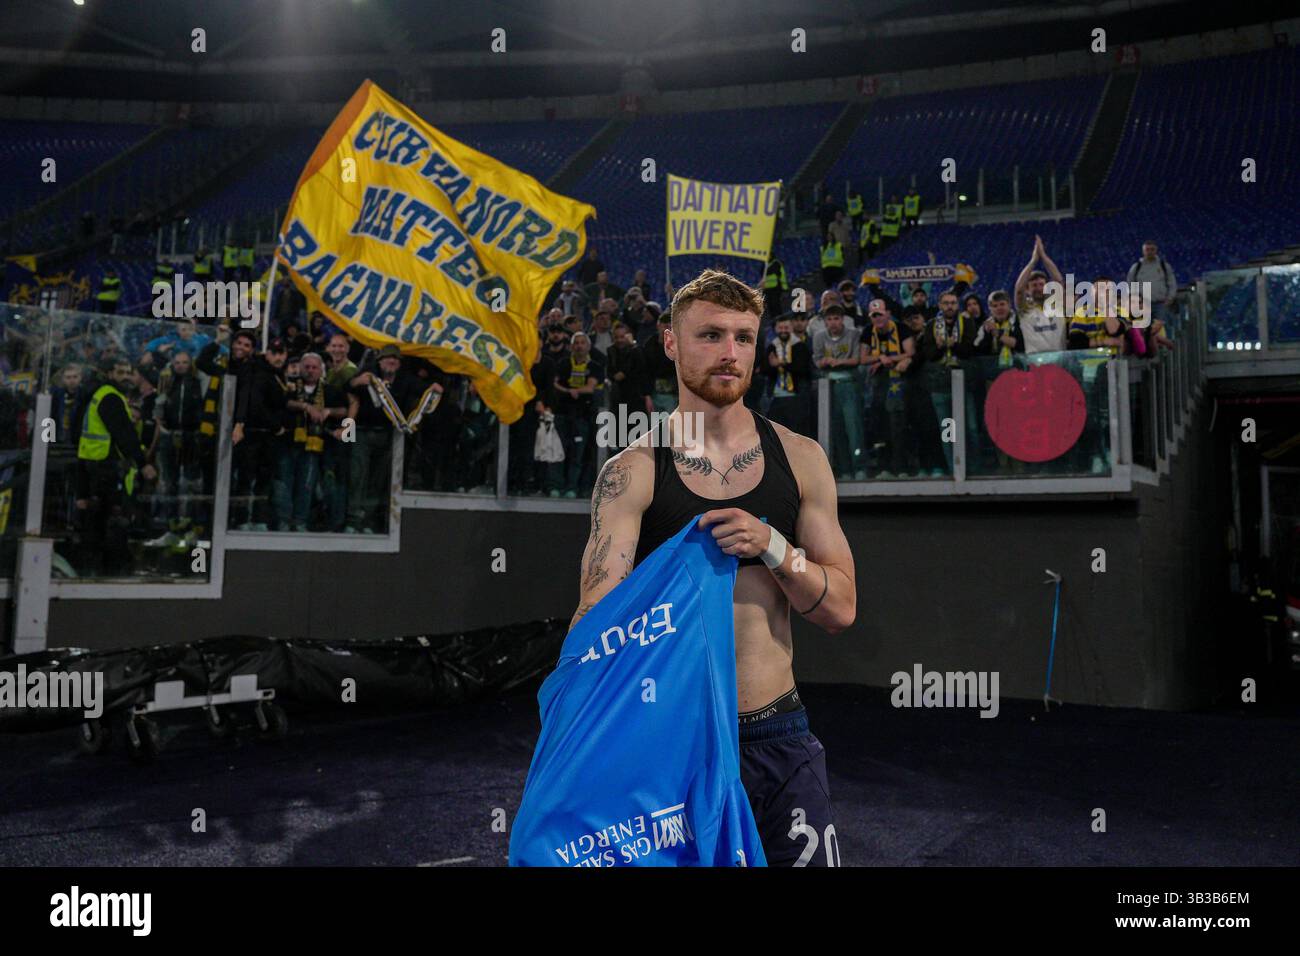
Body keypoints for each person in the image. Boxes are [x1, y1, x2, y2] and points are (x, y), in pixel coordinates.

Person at [567, 269, 856, 867]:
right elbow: (594, 625)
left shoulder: (801, 459)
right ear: (671, 343)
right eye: (711, 336)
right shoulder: (634, 471)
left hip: (778, 737)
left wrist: (775, 547)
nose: (730, 354)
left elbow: (841, 608)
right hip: (674, 742)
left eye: (744, 338)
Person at [74, 357, 157, 576]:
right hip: (105, 466)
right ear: (109, 374)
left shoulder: (98, 394)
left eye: (129, 372)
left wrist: (81, 488)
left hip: (93, 464)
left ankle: (92, 566)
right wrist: (143, 463)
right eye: (120, 372)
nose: (126, 377)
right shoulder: (110, 398)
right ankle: (114, 568)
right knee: (113, 519)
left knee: (96, 519)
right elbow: (124, 435)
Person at [346, 344, 427, 532]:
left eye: (395, 359)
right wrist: (356, 382)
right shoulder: (369, 373)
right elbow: (344, 388)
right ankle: (352, 521)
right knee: (358, 476)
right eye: (387, 358)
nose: (391, 362)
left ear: (399, 363)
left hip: (388, 436)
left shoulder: (405, 380)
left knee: (378, 480)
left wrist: (434, 387)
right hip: (362, 433)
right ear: (379, 361)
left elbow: (423, 389)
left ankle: (367, 521)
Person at [277, 351, 350, 531]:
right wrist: (306, 407)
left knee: (306, 485)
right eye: (307, 367)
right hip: (288, 443)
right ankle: (283, 521)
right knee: (284, 483)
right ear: (301, 368)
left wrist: (328, 412)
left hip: (314, 446)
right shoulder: (289, 385)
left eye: (314, 367)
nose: (310, 371)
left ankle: (300, 521)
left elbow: (344, 410)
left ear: (321, 370)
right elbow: (283, 402)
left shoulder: (329, 390)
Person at [230, 334, 289, 531]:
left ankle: (259, 518)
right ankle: (241, 519)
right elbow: (255, 404)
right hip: (254, 434)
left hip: (268, 438)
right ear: (267, 354)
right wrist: (276, 426)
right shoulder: (257, 371)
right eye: (274, 353)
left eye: (282, 353)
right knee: (246, 479)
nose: (279, 357)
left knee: (264, 480)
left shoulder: (277, 374)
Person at [811, 304, 866, 480]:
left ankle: (860, 468)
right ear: (825, 321)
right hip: (828, 386)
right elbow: (817, 361)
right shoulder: (819, 336)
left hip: (849, 384)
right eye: (829, 319)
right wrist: (827, 361)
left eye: (836, 318)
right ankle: (844, 470)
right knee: (837, 429)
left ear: (842, 319)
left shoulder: (853, 334)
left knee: (853, 428)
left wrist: (836, 362)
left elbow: (857, 359)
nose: (833, 322)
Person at [863, 298, 914, 478]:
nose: (877, 318)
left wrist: (888, 359)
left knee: (898, 424)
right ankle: (884, 467)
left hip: (898, 383)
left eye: (880, 314)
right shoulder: (868, 331)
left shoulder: (901, 329)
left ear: (888, 314)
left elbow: (910, 352)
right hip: (879, 386)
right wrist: (881, 358)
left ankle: (902, 467)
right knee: (880, 425)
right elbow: (863, 357)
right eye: (874, 315)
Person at [551, 331, 604, 498]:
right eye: (576, 343)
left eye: (582, 342)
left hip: (583, 416)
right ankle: (555, 486)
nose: (579, 345)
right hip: (562, 413)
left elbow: (590, 388)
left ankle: (572, 487)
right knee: (558, 452)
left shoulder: (595, 366)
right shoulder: (563, 364)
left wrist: (569, 390)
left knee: (577, 454)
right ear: (571, 346)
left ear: (588, 346)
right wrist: (570, 391)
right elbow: (555, 384)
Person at [1015, 234, 1067, 355]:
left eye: (1041, 284)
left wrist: (1043, 256)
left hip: (1060, 360)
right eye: (1034, 285)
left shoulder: (1056, 305)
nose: (1038, 288)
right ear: (1028, 289)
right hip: (1034, 362)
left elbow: (1059, 281)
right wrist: (1033, 261)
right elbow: (1018, 290)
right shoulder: (1025, 309)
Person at [765, 314, 813, 438]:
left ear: (791, 328)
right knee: (775, 435)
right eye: (780, 328)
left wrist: (780, 363)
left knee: (797, 434)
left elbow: (803, 369)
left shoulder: (800, 346)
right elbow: (764, 368)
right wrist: (773, 366)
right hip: (776, 396)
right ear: (775, 329)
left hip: (796, 396)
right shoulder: (772, 346)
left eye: (786, 327)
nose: (783, 330)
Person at [1125, 240, 1177, 351]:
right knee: (1144, 330)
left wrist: (1170, 297)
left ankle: (1166, 352)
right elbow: (1130, 284)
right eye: (1147, 250)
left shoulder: (1164, 266)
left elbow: (1172, 283)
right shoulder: (1137, 267)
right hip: (1143, 305)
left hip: (1160, 303)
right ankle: (1148, 351)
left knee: (1161, 328)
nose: (1149, 252)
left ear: (1156, 250)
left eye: (1152, 249)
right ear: (1143, 251)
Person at [762, 256, 789, 321]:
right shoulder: (765, 265)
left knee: (776, 305)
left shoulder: (777, 264)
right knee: (770, 306)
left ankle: (780, 320)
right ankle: (774, 321)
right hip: (767, 289)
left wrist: (785, 288)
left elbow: (782, 276)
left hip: (776, 287)